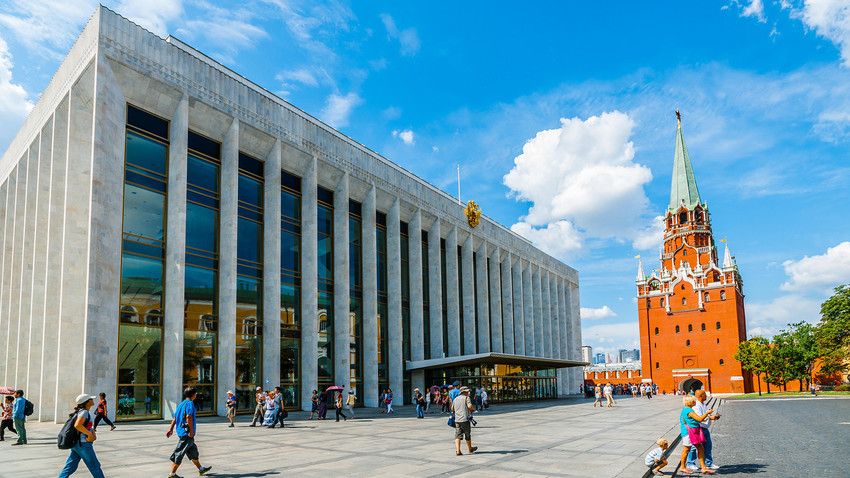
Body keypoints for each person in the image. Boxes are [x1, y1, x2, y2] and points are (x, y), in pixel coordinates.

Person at [166, 387, 212, 478]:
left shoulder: (180, 404)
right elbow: (188, 417)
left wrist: (170, 429)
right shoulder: (190, 403)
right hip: (186, 433)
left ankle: (201, 469)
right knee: (179, 453)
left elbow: (174, 418)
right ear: (194, 394)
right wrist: (191, 431)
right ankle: (172, 474)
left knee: (193, 452)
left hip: (182, 432)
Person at [58, 394, 105, 478]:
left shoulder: (81, 412)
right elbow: (78, 425)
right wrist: (89, 434)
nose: (92, 400)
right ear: (87, 402)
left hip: (77, 445)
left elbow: (83, 426)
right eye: (90, 399)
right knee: (95, 466)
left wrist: (92, 431)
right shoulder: (84, 412)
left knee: (70, 467)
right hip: (83, 445)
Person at [678, 395, 715, 475]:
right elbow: (699, 419)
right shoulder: (689, 411)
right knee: (686, 449)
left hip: (694, 432)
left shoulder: (688, 409)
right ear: (690, 402)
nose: (695, 402)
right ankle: (682, 467)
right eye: (694, 401)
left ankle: (704, 467)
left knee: (701, 448)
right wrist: (707, 413)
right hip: (688, 433)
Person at [686, 390, 720, 472]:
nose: (706, 396)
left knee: (708, 446)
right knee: (694, 447)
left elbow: (705, 415)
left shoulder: (703, 404)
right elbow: (699, 418)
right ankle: (690, 463)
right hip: (698, 429)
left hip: (705, 429)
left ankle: (709, 463)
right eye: (705, 395)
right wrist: (710, 418)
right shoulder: (696, 406)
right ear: (700, 396)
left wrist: (712, 416)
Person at [450, 386, 478, 455]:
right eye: (467, 391)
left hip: (457, 420)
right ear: (464, 392)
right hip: (465, 419)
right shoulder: (466, 398)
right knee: (467, 434)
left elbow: (452, 409)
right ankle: (469, 448)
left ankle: (458, 450)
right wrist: (472, 410)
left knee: (458, 435)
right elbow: (470, 406)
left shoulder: (456, 399)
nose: (468, 392)